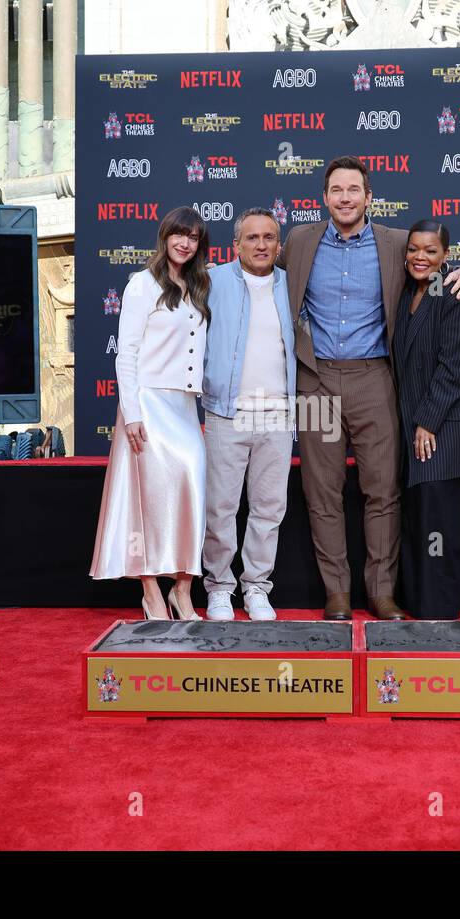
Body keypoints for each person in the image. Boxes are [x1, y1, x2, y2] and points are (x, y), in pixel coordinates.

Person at [280, 155, 460, 621]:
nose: (344, 198)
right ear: (324, 198)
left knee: (382, 490)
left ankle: (381, 592)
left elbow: (434, 263)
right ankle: (336, 594)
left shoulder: (394, 243)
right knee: (321, 490)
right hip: (316, 381)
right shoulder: (300, 240)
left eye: (354, 190)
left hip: (375, 379)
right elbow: (255, 270)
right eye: (336, 190)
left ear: (370, 197)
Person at [90, 206, 210, 620]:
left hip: (185, 404)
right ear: (165, 237)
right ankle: (151, 592)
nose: (185, 243)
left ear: (200, 245)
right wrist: (133, 412)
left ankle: (182, 589)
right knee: (149, 500)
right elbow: (128, 354)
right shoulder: (142, 284)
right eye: (179, 235)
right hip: (150, 404)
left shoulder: (199, 285)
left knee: (190, 490)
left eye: (193, 237)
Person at [201, 207, 296, 621]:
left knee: (268, 508)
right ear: (236, 244)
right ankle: (219, 587)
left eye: (269, 237)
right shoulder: (210, 279)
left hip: (277, 413)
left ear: (279, 245)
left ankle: (256, 587)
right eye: (252, 238)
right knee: (220, 507)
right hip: (227, 412)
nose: (261, 245)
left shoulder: (292, 285)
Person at [392, 220, 460, 619]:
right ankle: (419, 604)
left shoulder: (456, 294)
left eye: (430, 251)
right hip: (416, 428)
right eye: (413, 249)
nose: (420, 257)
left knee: (440, 529)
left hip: (445, 431)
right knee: (421, 520)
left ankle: (439, 612)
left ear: (446, 255)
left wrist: (428, 422)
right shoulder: (406, 292)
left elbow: (456, 366)